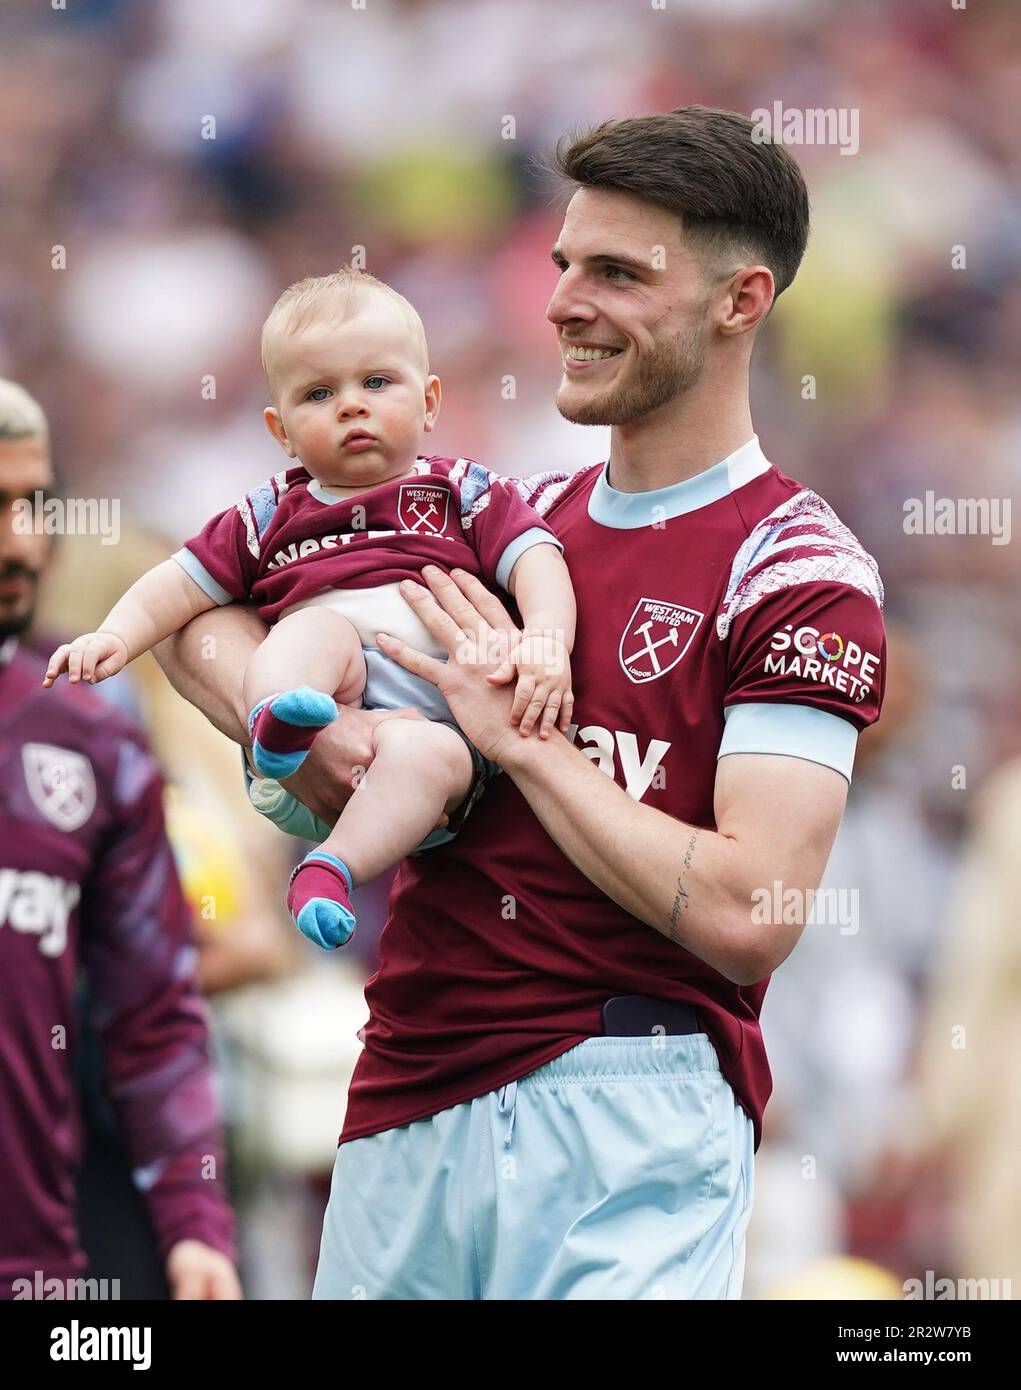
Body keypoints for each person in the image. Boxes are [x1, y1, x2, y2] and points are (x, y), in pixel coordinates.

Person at [156, 106, 887, 1300]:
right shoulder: (501, 513)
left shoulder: (795, 563)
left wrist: (526, 752)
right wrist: (337, 736)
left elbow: (755, 910)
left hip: (629, 1088)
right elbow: (199, 618)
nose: (561, 303)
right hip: (404, 1079)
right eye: (561, 265)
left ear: (740, 302)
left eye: (616, 272)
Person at [45, 269, 576, 948]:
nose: (351, 406)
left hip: (422, 744)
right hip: (314, 724)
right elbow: (179, 582)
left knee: (433, 756)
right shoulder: (270, 510)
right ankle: (277, 722)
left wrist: (545, 643)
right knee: (315, 629)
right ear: (282, 430)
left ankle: (329, 870)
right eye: (319, 394)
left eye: (376, 383)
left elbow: (536, 559)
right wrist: (112, 637)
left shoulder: (464, 491)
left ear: (430, 400)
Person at [0, 378, 240, 1300]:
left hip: (40, 1277)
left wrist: (195, 1226)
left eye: (36, 504)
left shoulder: (89, 736)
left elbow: (153, 1014)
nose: (24, 542)